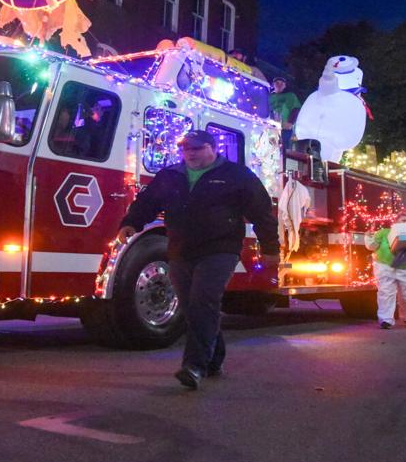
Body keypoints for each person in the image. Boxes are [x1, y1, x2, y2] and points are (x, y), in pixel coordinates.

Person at [113, 129, 280, 389]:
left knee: (204, 300)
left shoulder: (236, 176)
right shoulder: (170, 176)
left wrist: (271, 248)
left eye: (196, 148)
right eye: (186, 149)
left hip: (220, 249)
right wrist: (131, 223)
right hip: (181, 249)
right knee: (193, 306)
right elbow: (148, 202)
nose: (190, 153)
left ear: (212, 148)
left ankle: (194, 366)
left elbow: (262, 213)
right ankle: (213, 358)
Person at [370, 222, 406, 328]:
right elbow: (371, 246)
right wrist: (370, 238)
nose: (403, 222)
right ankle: (386, 320)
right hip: (385, 266)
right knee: (386, 293)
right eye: (401, 220)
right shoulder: (383, 233)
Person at [268, 77, 301, 153]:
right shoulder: (269, 97)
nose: (279, 85)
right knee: (269, 146)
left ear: (285, 85)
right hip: (270, 127)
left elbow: (296, 109)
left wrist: (290, 122)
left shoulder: (290, 96)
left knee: (284, 148)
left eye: (281, 83)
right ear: (273, 85)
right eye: (277, 83)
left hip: (284, 128)